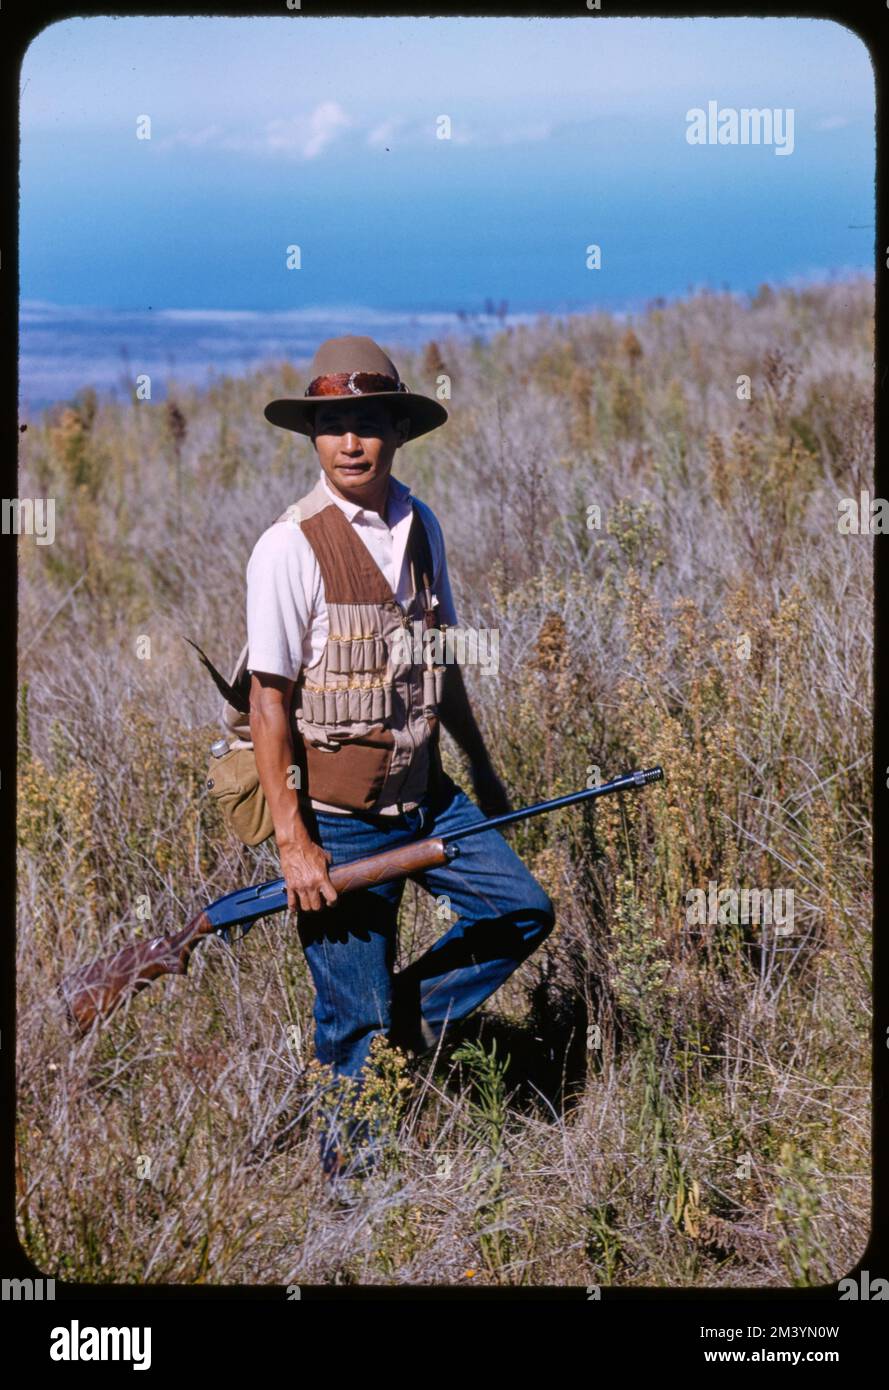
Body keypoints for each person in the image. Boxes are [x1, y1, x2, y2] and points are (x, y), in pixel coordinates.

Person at [246, 335, 555, 1181]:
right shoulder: (288, 547)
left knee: (521, 911)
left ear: (396, 433)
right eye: (335, 424)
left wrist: (482, 773)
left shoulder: (421, 527)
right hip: (337, 823)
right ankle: (352, 1205)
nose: (353, 442)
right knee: (349, 1018)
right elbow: (268, 700)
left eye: (370, 422)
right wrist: (293, 842)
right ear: (313, 437)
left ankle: (404, 1025)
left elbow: (439, 663)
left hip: (428, 796)